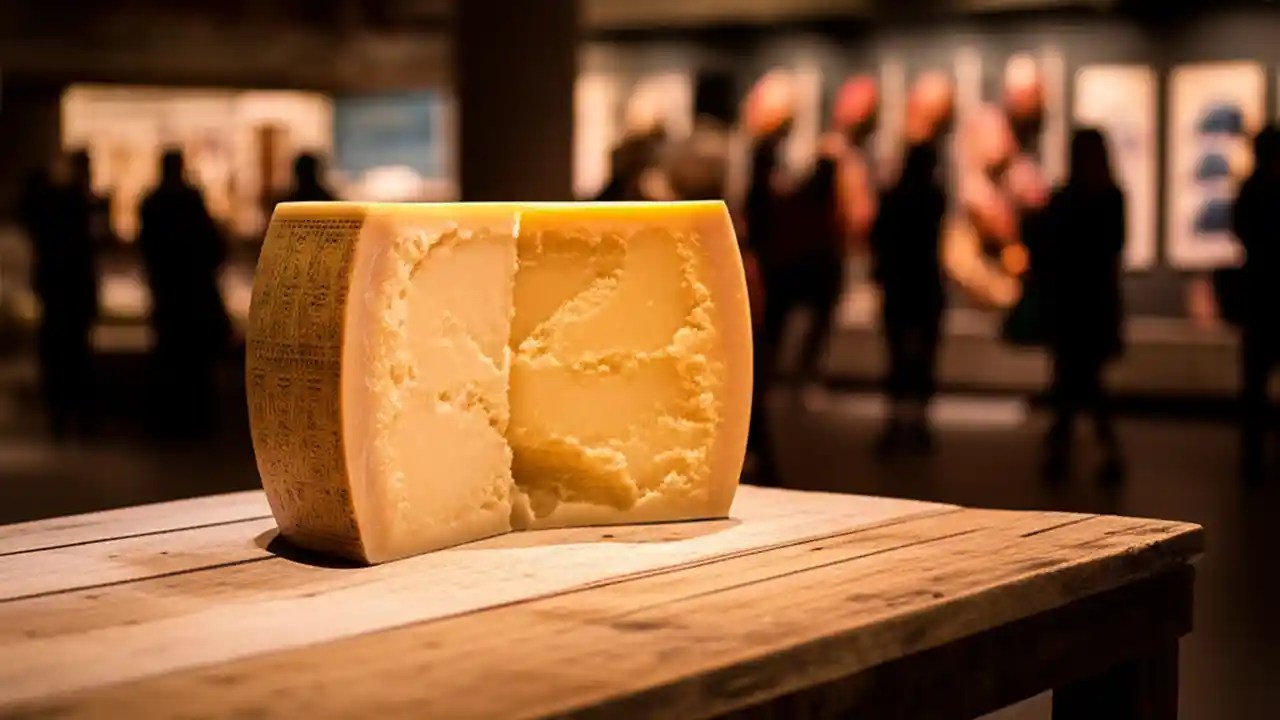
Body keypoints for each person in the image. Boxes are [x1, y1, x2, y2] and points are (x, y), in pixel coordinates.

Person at [1040, 128, 1125, 476]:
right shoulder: (1110, 197)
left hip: (1071, 303)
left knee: (1072, 379)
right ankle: (1095, 449)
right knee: (1086, 380)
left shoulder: (1065, 198)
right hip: (1095, 302)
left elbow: (1051, 250)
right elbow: (1115, 248)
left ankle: (1062, 449)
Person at [137, 150, 230, 437]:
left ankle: (172, 424)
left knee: (172, 360)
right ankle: (194, 424)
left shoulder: (152, 203)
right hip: (191, 296)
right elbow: (213, 246)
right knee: (193, 365)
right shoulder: (189, 201)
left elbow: (146, 248)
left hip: (168, 295)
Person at [870, 143, 947, 454]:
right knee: (921, 360)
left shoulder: (894, 197)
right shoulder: (934, 198)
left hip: (900, 286)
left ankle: (897, 424)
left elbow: (879, 239)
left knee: (899, 358)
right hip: (923, 286)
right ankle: (916, 424)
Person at [18, 158, 100, 439]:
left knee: (59, 356)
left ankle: (63, 417)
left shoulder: (51, 210)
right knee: (73, 356)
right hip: (70, 296)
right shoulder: (75, 208)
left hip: (58, 296)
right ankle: (74, 416)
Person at [1232, 124, 1280, 476]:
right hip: (1267, 297)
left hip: (1258, 298)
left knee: (1254, 384)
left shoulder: (1251, 189)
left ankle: (1252, 456)